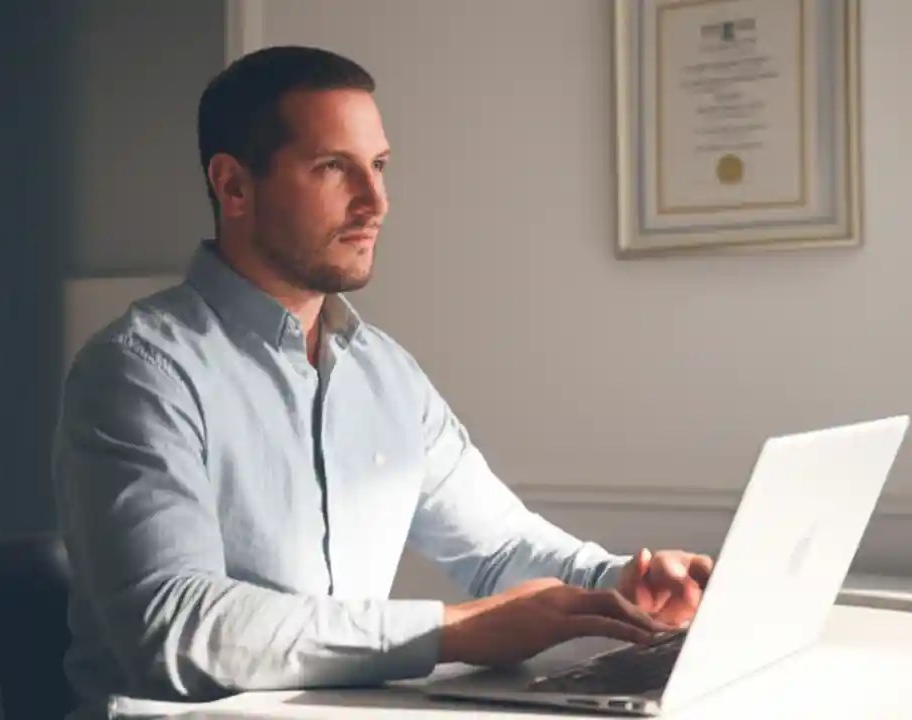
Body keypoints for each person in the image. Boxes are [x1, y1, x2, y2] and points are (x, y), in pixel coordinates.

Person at [53, 45, 713, 718]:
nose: (376, 202)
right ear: (235, 187)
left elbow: (500, 547)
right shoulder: (139, 372)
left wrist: (622, 581)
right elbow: (173, 622)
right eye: (333, 168)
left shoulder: (385, 374)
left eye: (378, 166)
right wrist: (450, 631)